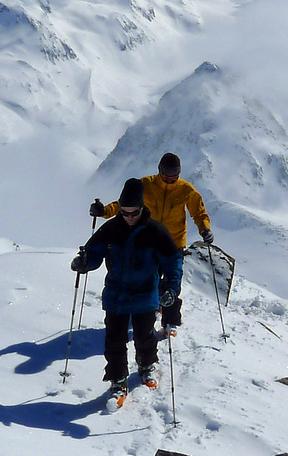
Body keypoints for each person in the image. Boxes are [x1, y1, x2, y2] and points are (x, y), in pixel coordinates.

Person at [74, 178, 183, 401]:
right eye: (125, 212)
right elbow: (93, 252)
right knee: (114, 339)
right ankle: (118, 380)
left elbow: (173, 262)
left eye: (134, 212)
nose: (130, 217)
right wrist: (84, 262)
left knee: (144, 335)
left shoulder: (156, 232)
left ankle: (146, 366)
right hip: (116, 295)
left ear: (142, 208)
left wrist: (171, 289)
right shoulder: (111, 229)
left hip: (145, 294)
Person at [92, 152, 211, 338]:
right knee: (151, 280)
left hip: (174, 243)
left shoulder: (187, 190)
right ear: (159, 171)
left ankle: (170, 321)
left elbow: (199, 212)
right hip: (148, 241)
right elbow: (124, 205)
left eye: (174, 175)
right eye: (166, 175)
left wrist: (204, 229)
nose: (170, 179)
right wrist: (104, 211)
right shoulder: (146, 184)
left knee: (172, 283)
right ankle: (151, 311)